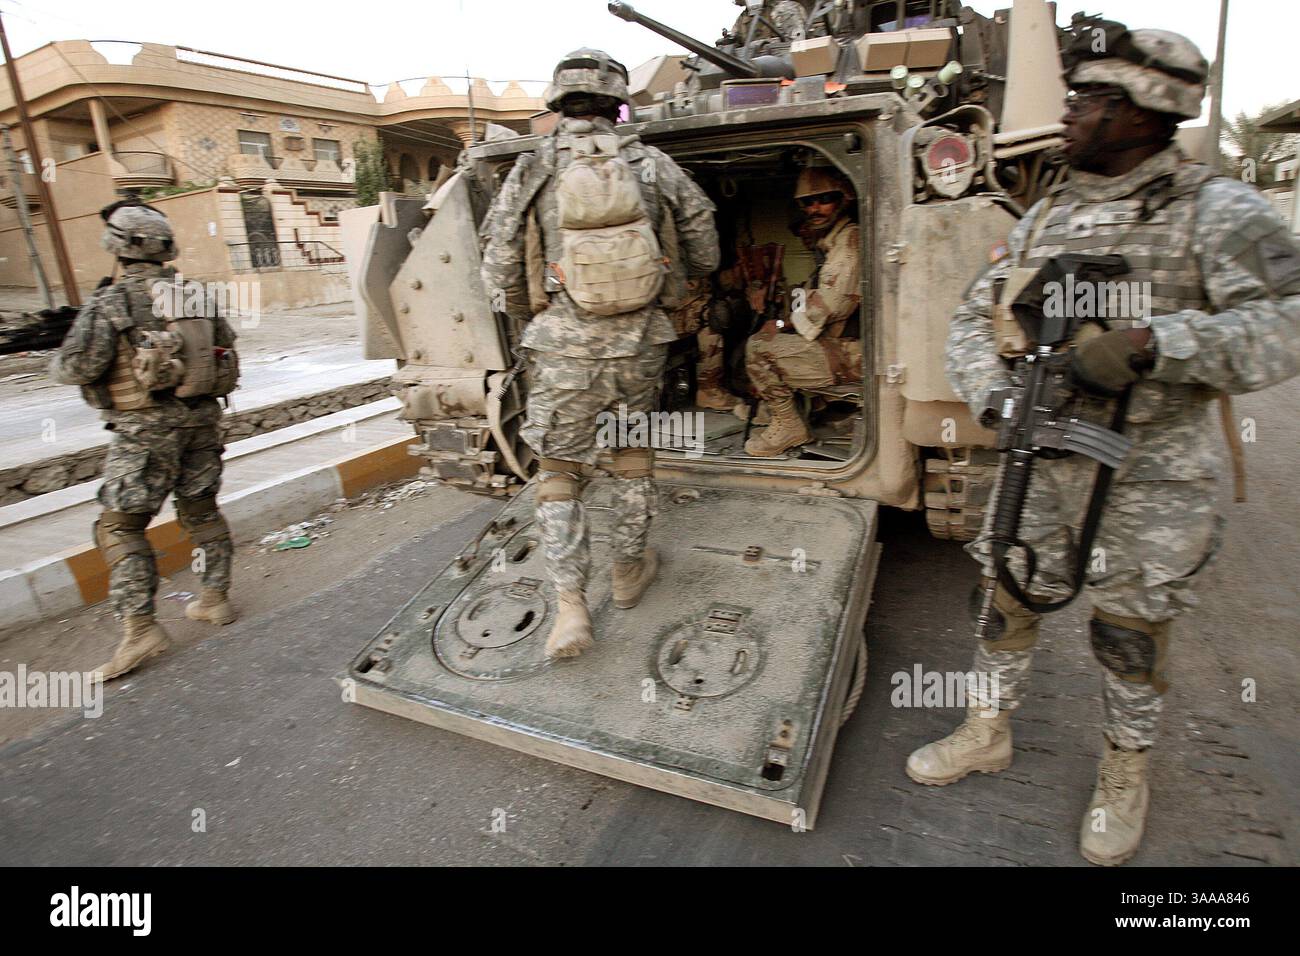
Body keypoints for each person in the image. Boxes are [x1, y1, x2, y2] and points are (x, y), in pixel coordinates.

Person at [907, 23, 1300, 865]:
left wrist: (1158, 344)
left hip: (1148, 470)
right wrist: (996, 394)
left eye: (1091, 98)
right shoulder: (1050, 209)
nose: (1072, 111)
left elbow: (1287, 322)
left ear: (1143, 110)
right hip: (1037, 454)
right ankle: (986, 730)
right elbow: (977, 317)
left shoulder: (1217, 211)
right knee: (1004, 595)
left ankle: (1125, 772)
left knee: (1130, 631)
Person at [479, 48, 719, 659]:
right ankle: (629, 570)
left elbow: (501, 262)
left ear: (557, 105)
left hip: (562, 346)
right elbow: (705, 244)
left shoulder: (533, 168)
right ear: (618, 102)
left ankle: (571, 609)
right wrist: (674, 284)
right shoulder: (652, 164)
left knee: (559, 470)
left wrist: (534, 314)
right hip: (640, 343)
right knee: (631, 450)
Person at [50, 201, 241, 680]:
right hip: (201, 423)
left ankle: (140, 630)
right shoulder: (194, 295)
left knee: (119, 528)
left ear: (118, 248)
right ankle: (214, 600)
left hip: (145, 433)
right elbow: (226, 347)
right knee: (201, 511)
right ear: (166, 247)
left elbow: (76, 368)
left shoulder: (109, 303)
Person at [737, 166, 862, 457]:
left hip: (856, 353)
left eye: (824, 199)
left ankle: (788, 425)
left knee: (758, 348)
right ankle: (787, 411)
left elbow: (830, 306)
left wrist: (780, 324)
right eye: (807, 202)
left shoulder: (850, 241)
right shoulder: (833, 242)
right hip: (843, 344)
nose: (814, 208)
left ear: (842, 199)